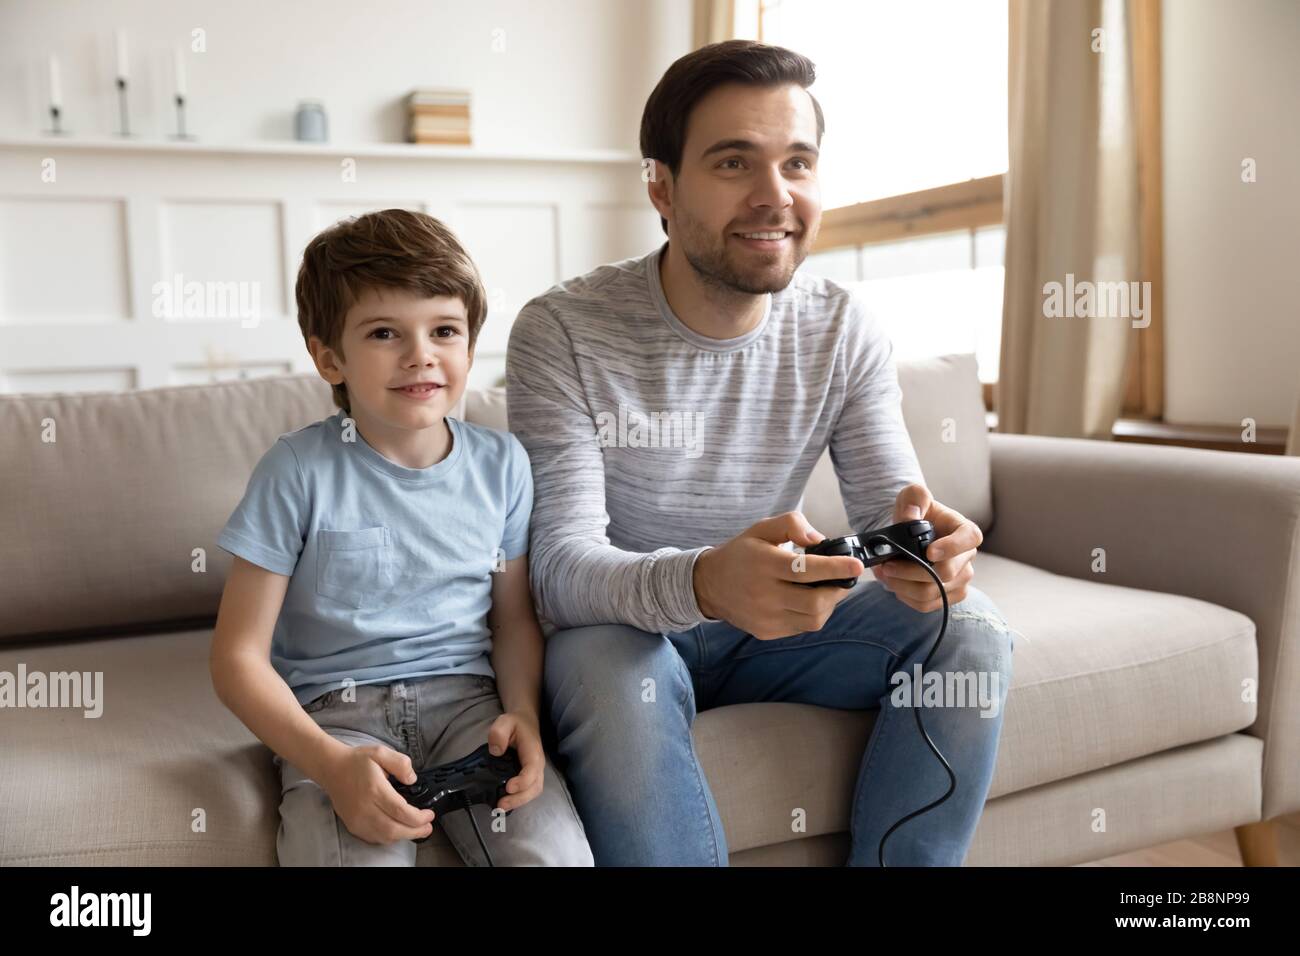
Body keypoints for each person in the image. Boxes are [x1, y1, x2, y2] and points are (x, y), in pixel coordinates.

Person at [506, 40, 1015, 866]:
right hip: (628, 631)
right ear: (661, 187)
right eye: (734, 162)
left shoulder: (843, 325)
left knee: (971, 628)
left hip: (786, 629)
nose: (774, 197)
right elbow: (560, 570)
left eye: (798, 163)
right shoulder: (562, 330)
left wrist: (930, 553)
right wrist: (705, 580)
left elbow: (896, 505)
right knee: (604, 661)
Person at [210, 209, 592, 867]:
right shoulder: (296, 469)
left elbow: (514, 623)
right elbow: (237, 658)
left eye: (445, 330)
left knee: (555, 856)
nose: (421, 354)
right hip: (334, 713)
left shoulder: (504, 465)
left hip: (471, 706)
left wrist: (524, 716)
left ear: (471, 347)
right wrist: (330, 765)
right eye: (384, 332)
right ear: (330, 357)